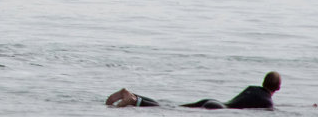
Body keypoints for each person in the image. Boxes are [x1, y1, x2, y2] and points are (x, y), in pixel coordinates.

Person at [105, 71, 281, 109]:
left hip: (212, 101)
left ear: (263, 81)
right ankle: (135, 100)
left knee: (170, 107)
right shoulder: (267, 101)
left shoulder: (252, 89)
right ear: (278, 88)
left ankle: (133, 96)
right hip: (217, 108)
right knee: (168, 109)